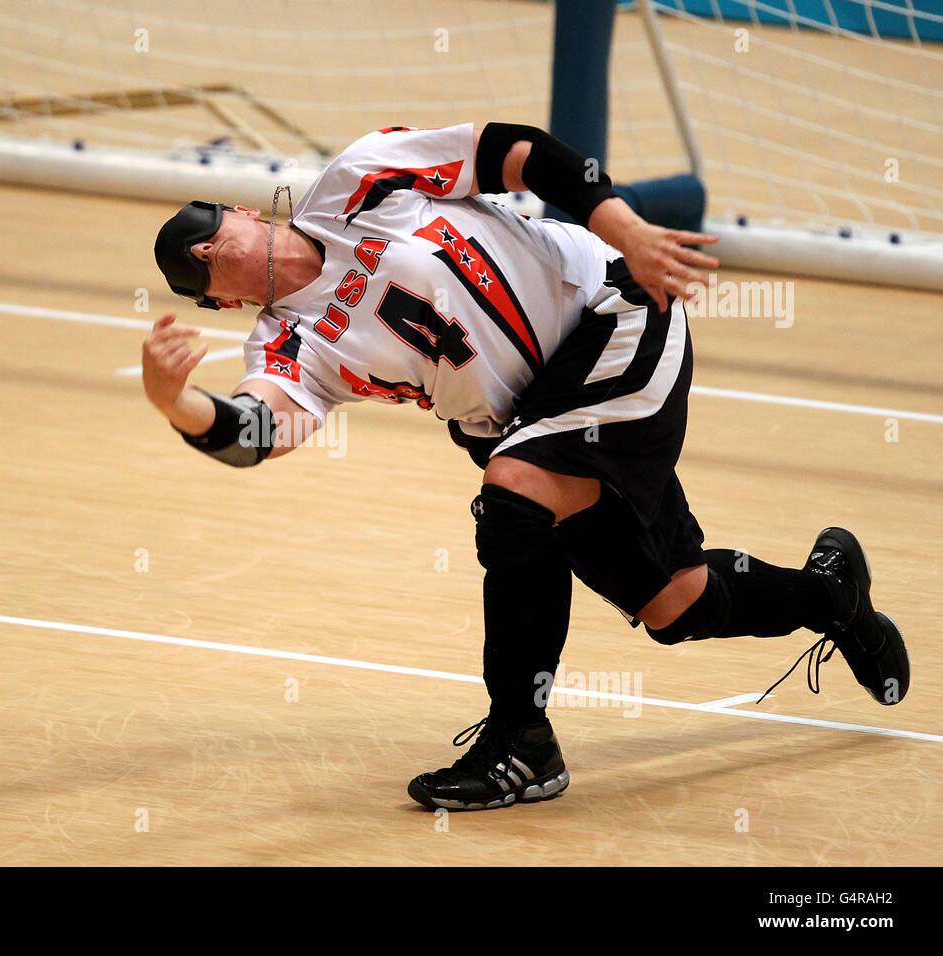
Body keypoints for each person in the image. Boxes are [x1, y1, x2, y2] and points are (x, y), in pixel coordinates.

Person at [143, 122, 910, 811]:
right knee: (676, 603)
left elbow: (517, 150)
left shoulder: (358, 180)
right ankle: (831, 595)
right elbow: (255, 429)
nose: (205, 250)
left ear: (245, 211)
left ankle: (521, 743)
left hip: (614, 310)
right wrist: (178, 404)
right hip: (532, 419)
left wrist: (627, 228)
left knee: (514, 493)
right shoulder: (289, 348)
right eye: (195, 269)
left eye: (203, 229)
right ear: (218, 304)